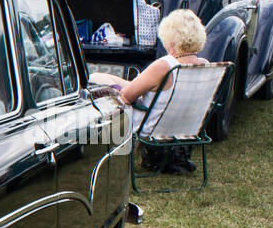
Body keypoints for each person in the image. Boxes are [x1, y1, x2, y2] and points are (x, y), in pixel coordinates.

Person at [89, 10, 210, 173]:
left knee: (97, 79)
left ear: (171, 41)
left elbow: (126, 97)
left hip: (150, 124)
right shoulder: (203, 64)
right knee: (108, 79)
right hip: (183, 126)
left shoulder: (165, 65)